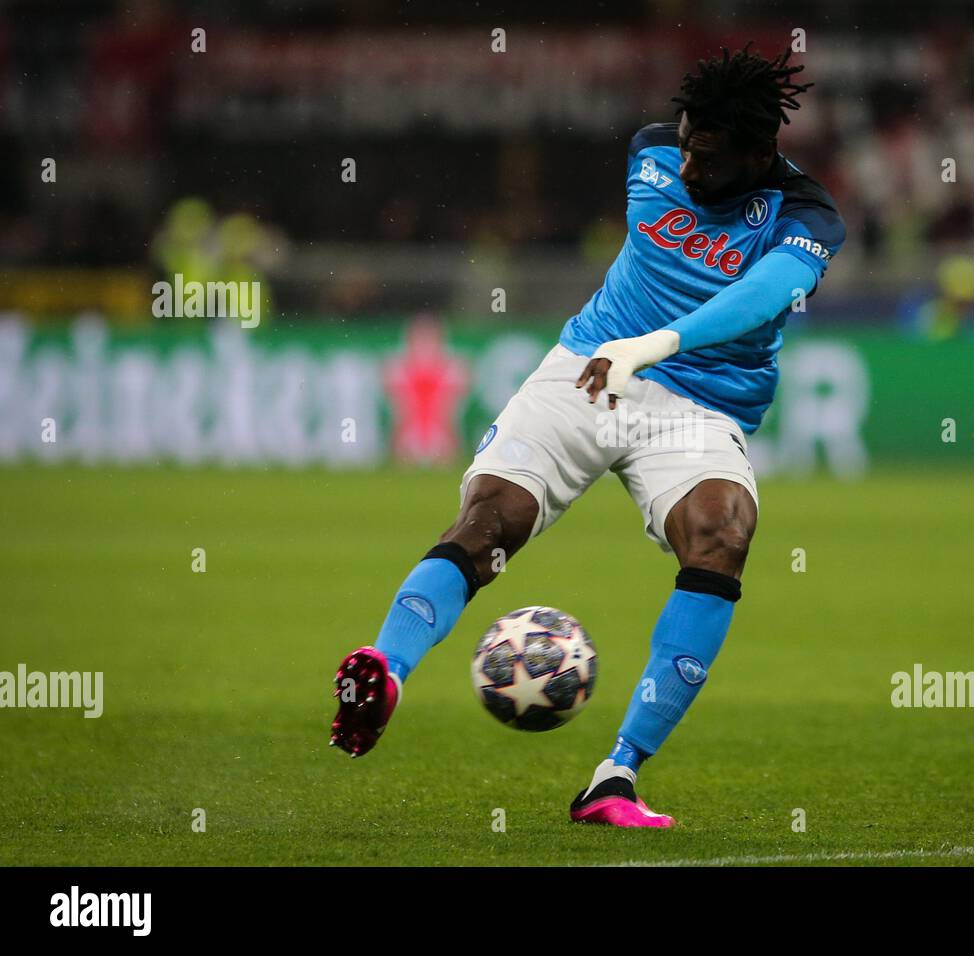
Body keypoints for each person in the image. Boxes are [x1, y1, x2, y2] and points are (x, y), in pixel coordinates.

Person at [329, 44, 845, 828]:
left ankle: (616, 776)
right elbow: (678, 205)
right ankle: (386, 671)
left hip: (698, 405)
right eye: (685, 144)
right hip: (589, 366)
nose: (690, 166)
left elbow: (766, 292)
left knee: (723, 534)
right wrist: (631, 348)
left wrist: (659, 344)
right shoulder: (652, 154)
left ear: (760, 153)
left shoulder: (808, 216)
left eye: (708, 159)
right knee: (491, 517)